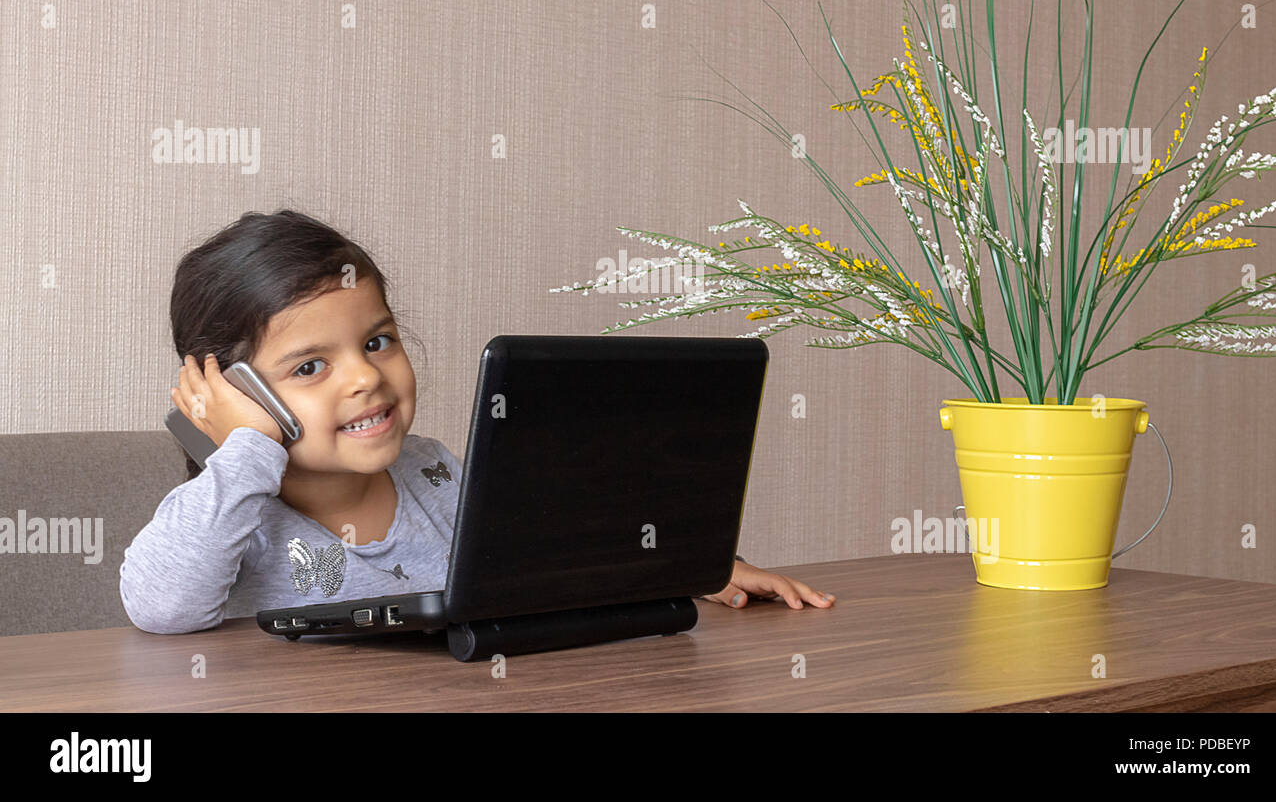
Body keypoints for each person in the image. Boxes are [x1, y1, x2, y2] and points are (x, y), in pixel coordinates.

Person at [120, 210, 835, 634]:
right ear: (229, 392)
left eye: (376, 342)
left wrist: (680, 570)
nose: (367, 376)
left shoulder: (431, 470)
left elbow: (544, 556)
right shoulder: (227, 512)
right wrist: (244, 447)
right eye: (310, 366)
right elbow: (161, 609)